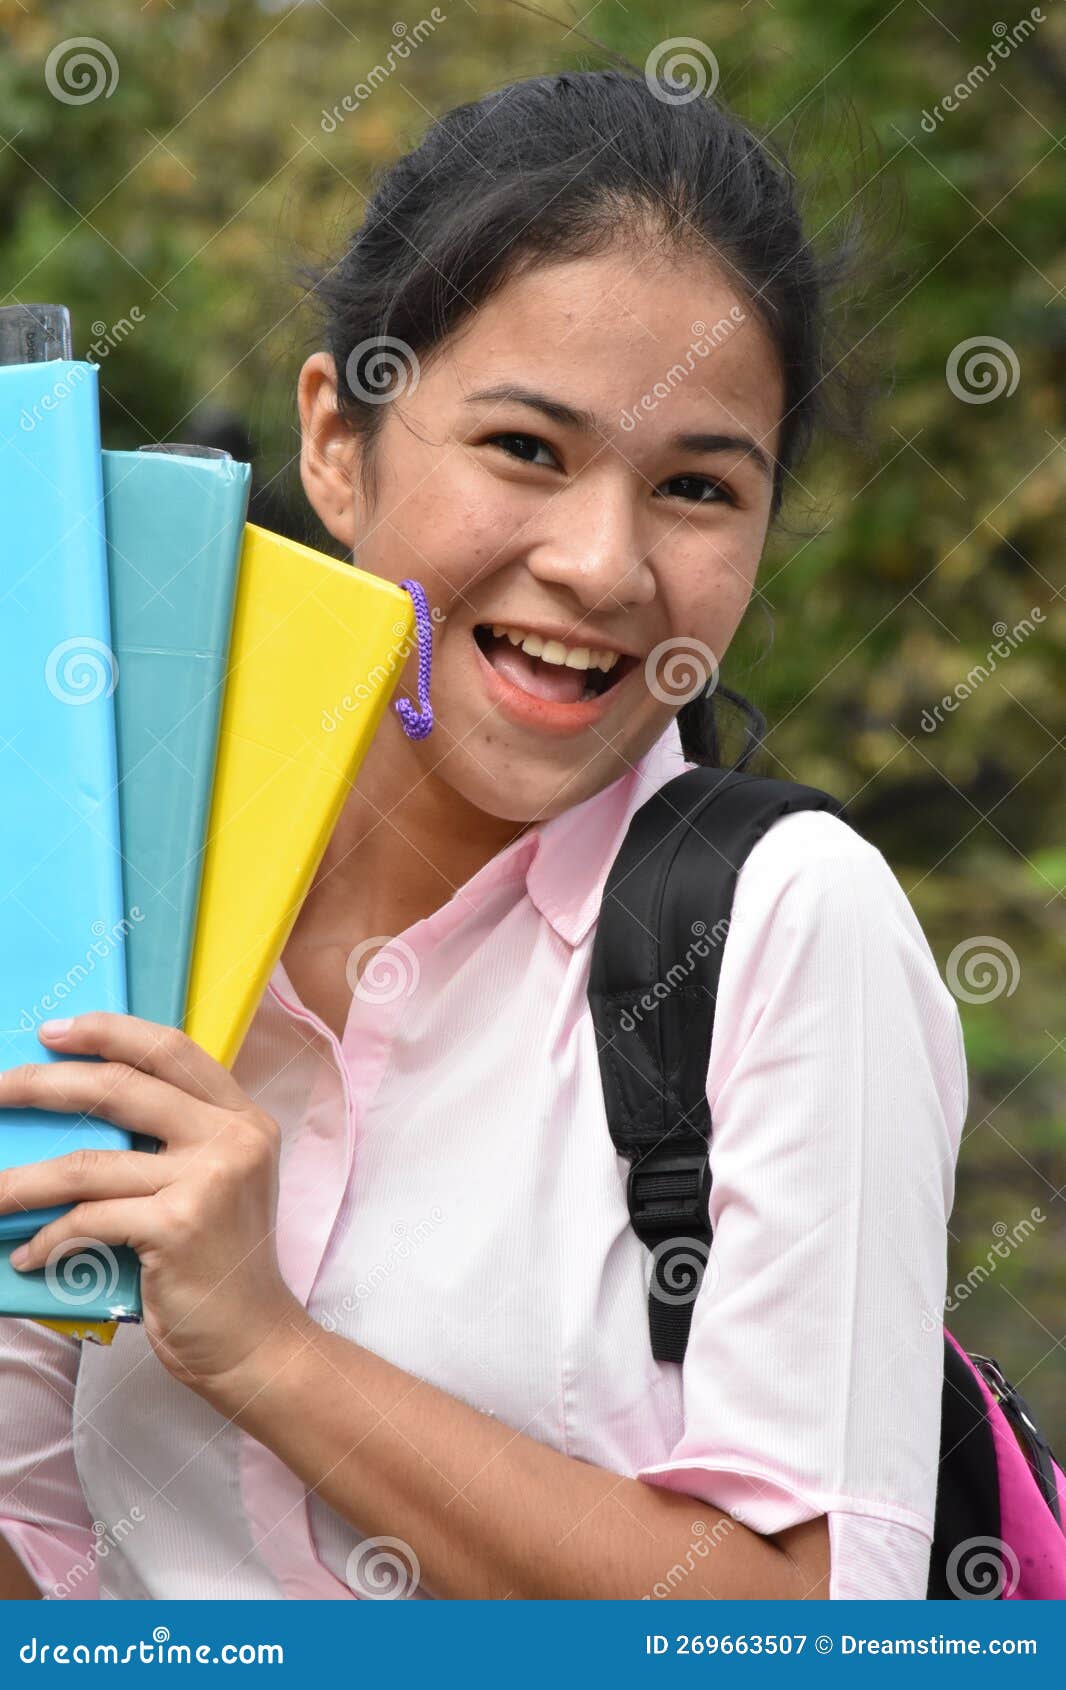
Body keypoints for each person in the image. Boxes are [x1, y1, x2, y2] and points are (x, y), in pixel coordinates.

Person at [0, 67, 965, 1602]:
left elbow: (818, 1623)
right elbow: (50, 1569)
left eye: (698, 488)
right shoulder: (116, 891)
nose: (599, 562)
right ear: (336, 439)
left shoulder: (785, 923)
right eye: (524, 446)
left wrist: (269, 1351)